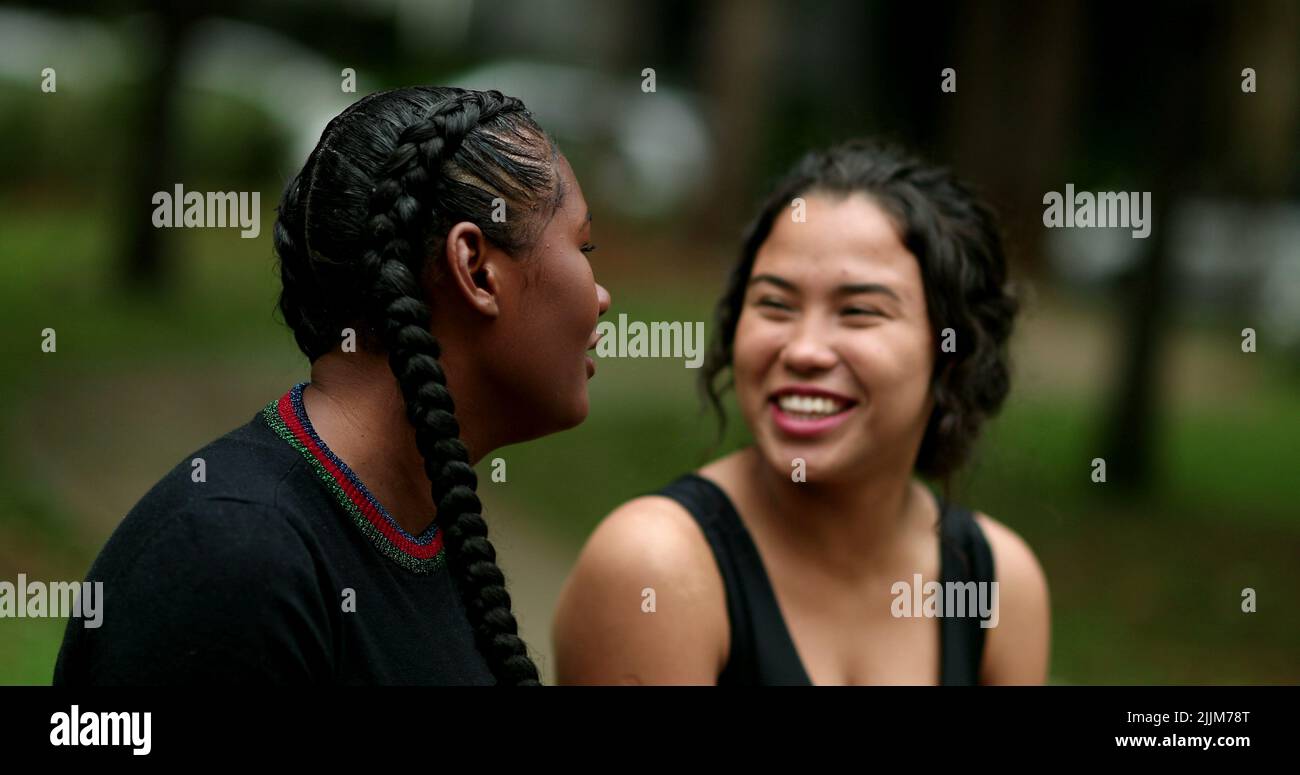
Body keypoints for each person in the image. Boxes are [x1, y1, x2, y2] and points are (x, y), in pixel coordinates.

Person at [54, 86, 610, 685]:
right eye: (584, 247)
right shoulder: (232, 558)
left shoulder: (428, 530)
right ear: (476, 268)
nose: (602, 298)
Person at [553, 140, 1048, 685]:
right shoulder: (657, 569)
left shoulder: (998, 582)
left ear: (953, 351)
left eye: (859, 311)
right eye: (775, 304)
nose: (804, 350)